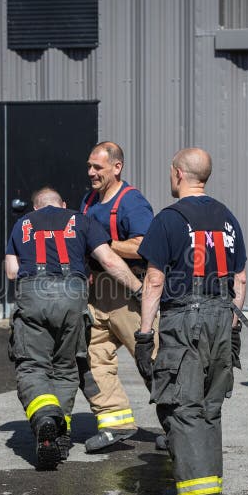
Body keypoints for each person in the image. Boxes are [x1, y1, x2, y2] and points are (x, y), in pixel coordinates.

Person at [137, 147, 247, 495]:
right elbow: (240, 279)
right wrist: (232, 325)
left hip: (186, 317)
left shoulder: (168, 219)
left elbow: (154, 280)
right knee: (210, 407)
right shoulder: (228, 218)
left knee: (182, 406)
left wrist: (142, 333)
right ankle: (207, 488)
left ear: (178, 173)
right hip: (222, 313)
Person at [4, 187, 142, 469]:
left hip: (33, 295)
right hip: (72, 295)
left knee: (33, 366)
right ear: (63, 204)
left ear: (35, 208)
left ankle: (45, 418)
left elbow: (11, 271)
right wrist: (139, 289)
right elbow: (109, 260)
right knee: (66, 367)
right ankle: (60, 437)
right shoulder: (80, 219)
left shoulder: (22, 224)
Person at [79, 141, 157, 453]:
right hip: (97, 293)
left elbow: (143, 245)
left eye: (97, 167)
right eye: (89, 166)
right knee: (92, 358)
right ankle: (115, 423)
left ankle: (180, 424)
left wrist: (104, 244)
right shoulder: (88, 201)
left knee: (151, 359)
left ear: (116, 167)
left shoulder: (132, 202)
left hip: (128, 293)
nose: (91, 173)